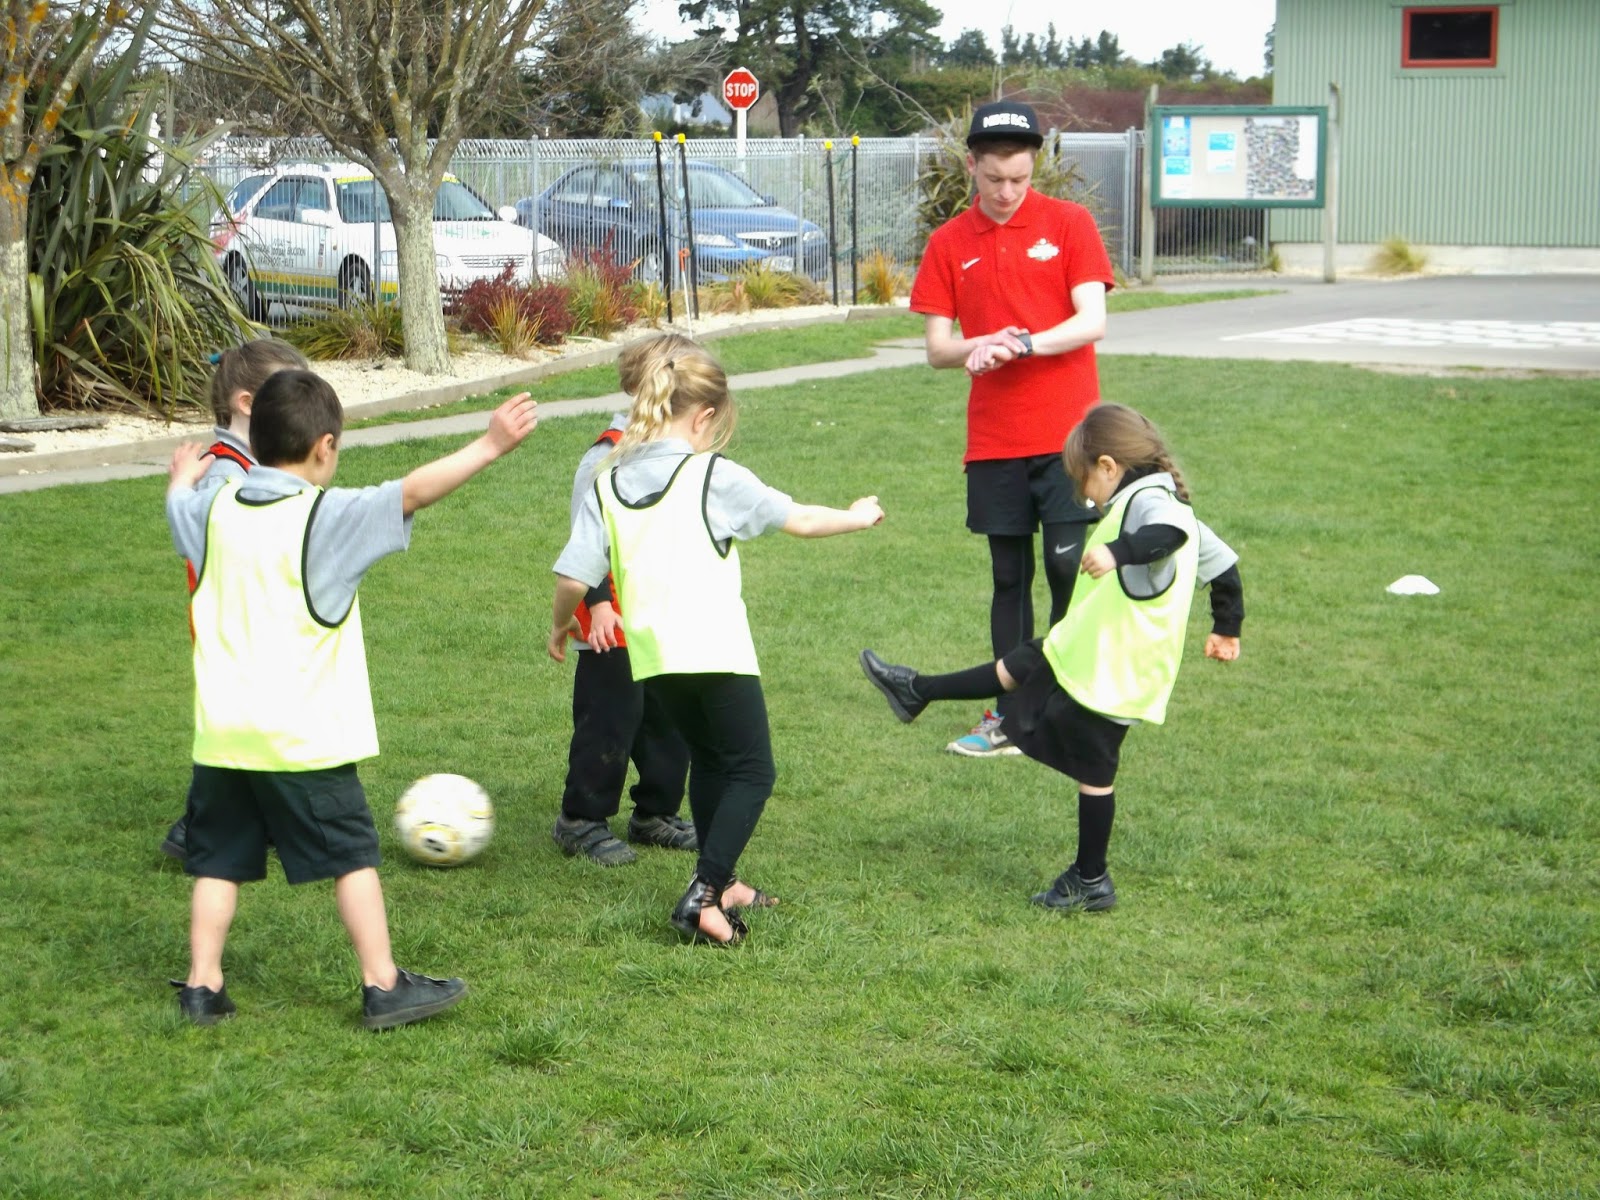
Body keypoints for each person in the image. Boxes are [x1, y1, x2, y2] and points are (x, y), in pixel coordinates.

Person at [164, 370, 538, 1027]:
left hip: (222, 737)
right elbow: (413, 490)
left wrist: (177, 483)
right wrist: (490, 444)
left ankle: (202, 984)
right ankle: (383, 983)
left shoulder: (214, 507)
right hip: (302, 742)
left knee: (217, 860)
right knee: (353, 856)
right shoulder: (324, 517)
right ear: (324, 447)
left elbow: (179, 511)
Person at [548, 333, 884, 945]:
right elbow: (800, 519)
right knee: (753, 771)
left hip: (652, 659)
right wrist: (859, 516)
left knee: (708, 761)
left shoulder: (608, 477)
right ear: (702, 417)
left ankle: (724, 882)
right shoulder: (710, 476)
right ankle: (704, 895)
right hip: (716, 653)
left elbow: (573, 575)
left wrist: (557, 625)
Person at [859, 403, 1244, 913]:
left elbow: (1170, 535)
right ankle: (916, 691)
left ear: (1109, 466)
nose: (1084, 495)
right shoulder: (1152, 498)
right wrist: (1226, 626)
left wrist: (1119, 552)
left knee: (1096, 768)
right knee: (1021, 664)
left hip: (1119, 666)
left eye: (1085, 481)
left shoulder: (1154, 504)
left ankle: (1091, 878)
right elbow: (1224, 565)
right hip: (1092, 643)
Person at [909, 99, 1116, 758]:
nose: (1006, 193)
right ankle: (1007, 718)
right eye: (994, 178)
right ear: (972, 167)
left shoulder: (1071, 223)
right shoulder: (949, 243)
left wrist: (1023, 344)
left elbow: (1092, 321)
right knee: (1007, 577)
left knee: (1065, 571)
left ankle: (1061, 706)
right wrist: (982, 341)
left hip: (1070, 437)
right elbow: (937, 349)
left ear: (1034, 171)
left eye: (1019, 180)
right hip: (994, 440)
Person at [161, 338, 311, 861]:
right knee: (238, 731)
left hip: (255, 621)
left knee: (264, 722)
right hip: (234, 627)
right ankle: (195, 831)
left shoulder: (255, 462)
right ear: (247, 404)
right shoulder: (225, 470)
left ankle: (264, 817)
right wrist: (180, 489)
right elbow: (200, 541)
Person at [551, 393, 695, 866]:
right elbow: (584, 539)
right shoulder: (605, 455)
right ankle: (581, 820)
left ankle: (655, 814)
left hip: (661, 614)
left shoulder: (682, 450)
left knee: (669, 721)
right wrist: (598, 603)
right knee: (610, 719)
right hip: (608, 618)